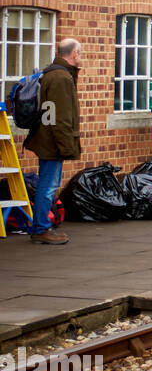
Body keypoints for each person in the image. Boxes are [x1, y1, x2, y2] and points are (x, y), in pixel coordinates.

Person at [23, 38, 82, 245]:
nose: (80, 58)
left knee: (47, 184)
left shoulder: (53, 73)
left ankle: (41, 227)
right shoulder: (61, 78)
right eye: (80, 54)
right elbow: (61, 117)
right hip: (52, 142)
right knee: (48, 186)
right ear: (74, 54)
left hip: (47, 138)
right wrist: (66, 147)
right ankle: (41, 228)